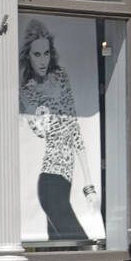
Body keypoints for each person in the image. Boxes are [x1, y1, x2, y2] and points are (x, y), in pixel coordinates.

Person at [18, 19, 98, 241]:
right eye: (37, 55)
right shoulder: (27, 91)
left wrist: (89, 186)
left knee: (60, 248)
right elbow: (40, 130)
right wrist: (39, 113)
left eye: (46, 53)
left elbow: (74, 129)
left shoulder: (61, 78)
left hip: (66, 182)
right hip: (50, 181)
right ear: (29, 57)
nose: (42, 60)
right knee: (81, 243)